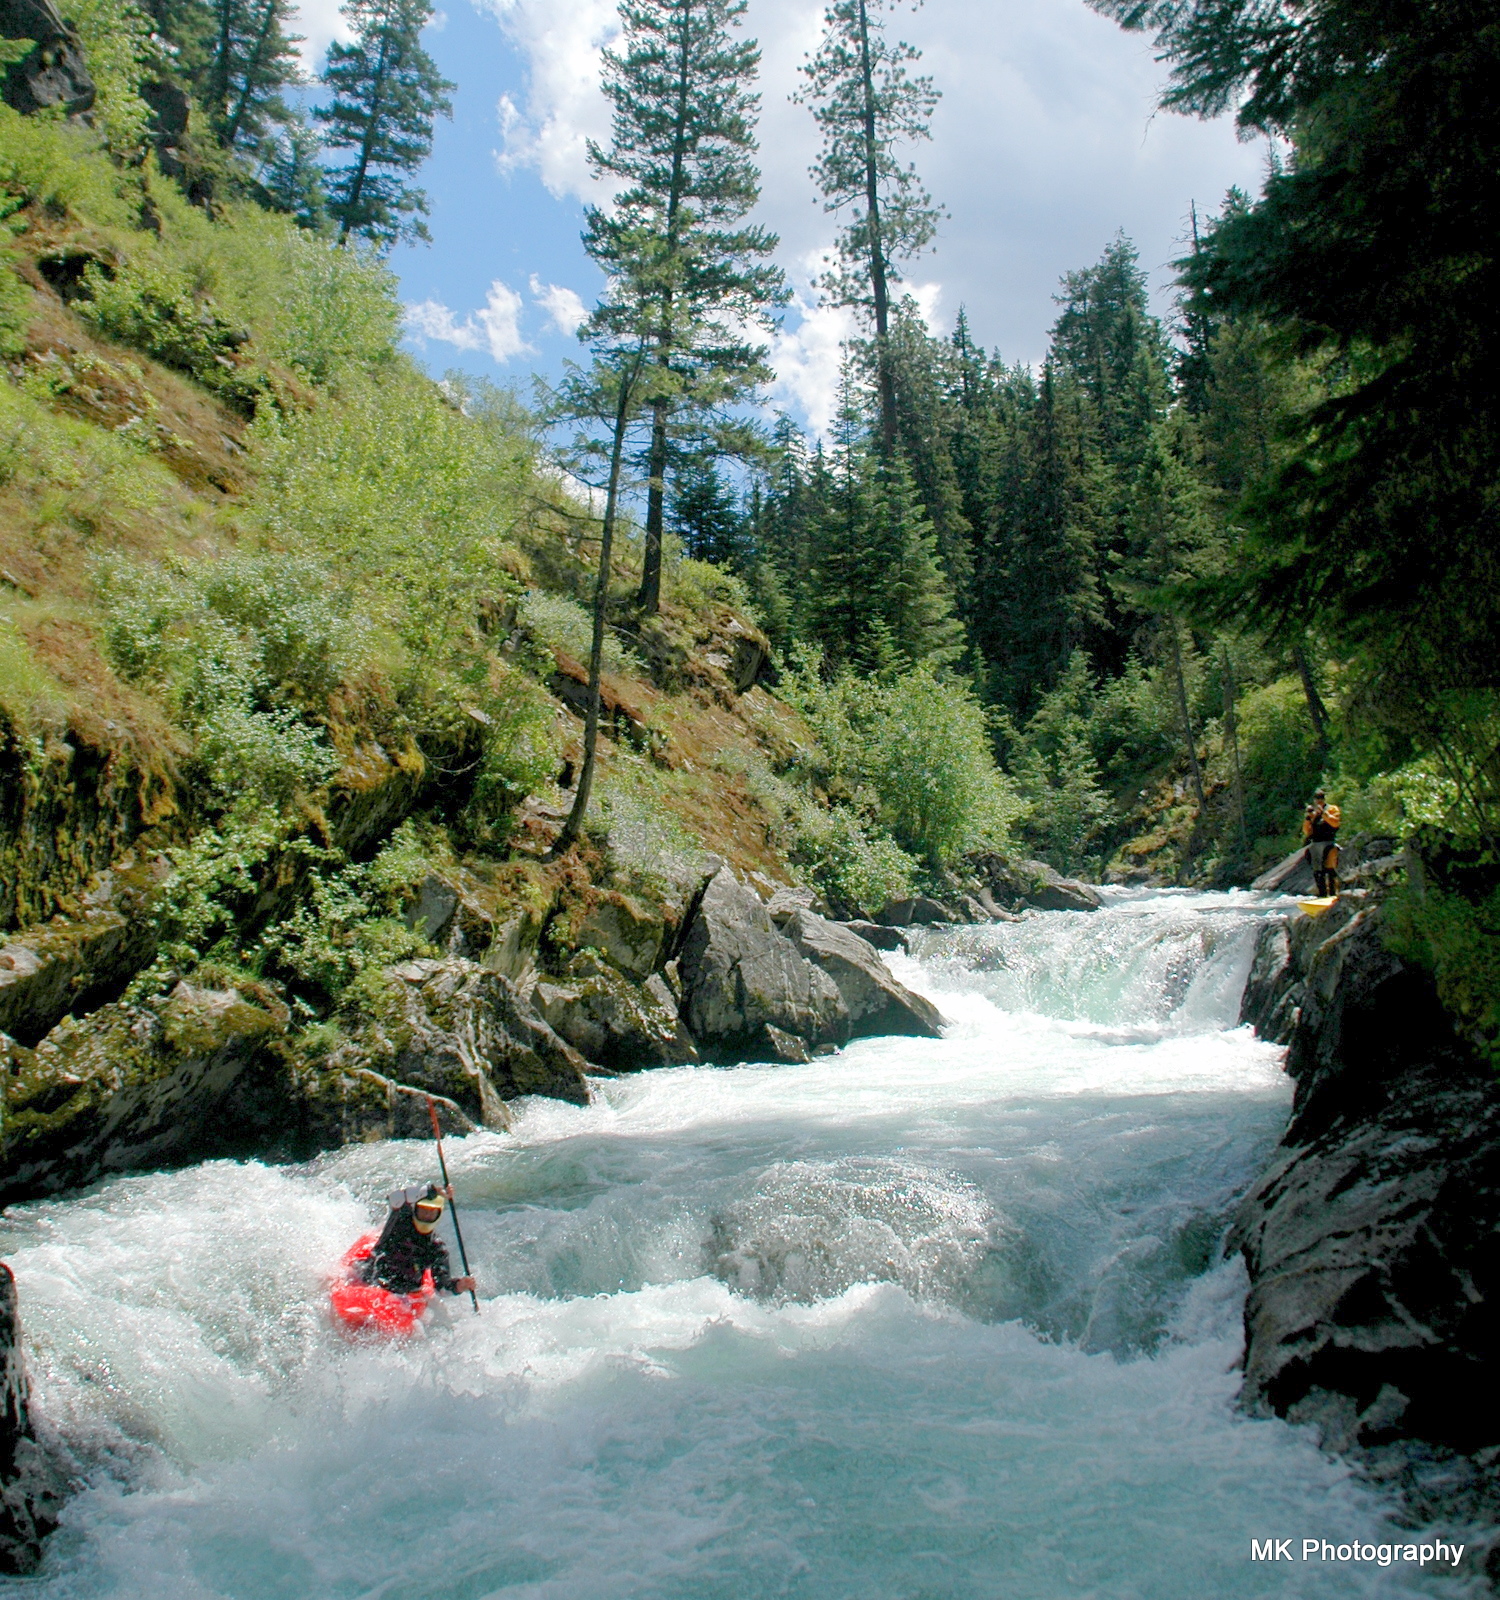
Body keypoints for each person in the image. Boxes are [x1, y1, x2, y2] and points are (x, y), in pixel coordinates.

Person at [361, 1183, 476, 1298]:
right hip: (373, 1277)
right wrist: (433, 1190)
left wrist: (459, 1286)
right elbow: (395, 1197)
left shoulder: (436, 1247)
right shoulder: (401, 1218)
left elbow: (442, 1287)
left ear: (439, 1214)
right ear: (415, 1209)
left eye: (432, 1212)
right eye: (423, 1210)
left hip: (404, 1293)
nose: (427, 1215)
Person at [1302, 788, 1342, 897]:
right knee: (1318, 872)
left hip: (1329, 842)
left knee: (1330, 869)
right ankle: (1322, 895)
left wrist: (1324, 813)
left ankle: (1333, 894)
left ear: (1324, 799)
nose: (1318, 801)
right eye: (1316, 798)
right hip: (1316, 843)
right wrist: (1308, 818)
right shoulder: (1313, 814)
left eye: (1321, 798)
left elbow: (1335, 823)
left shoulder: (1332, 809)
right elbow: (1307, 831)